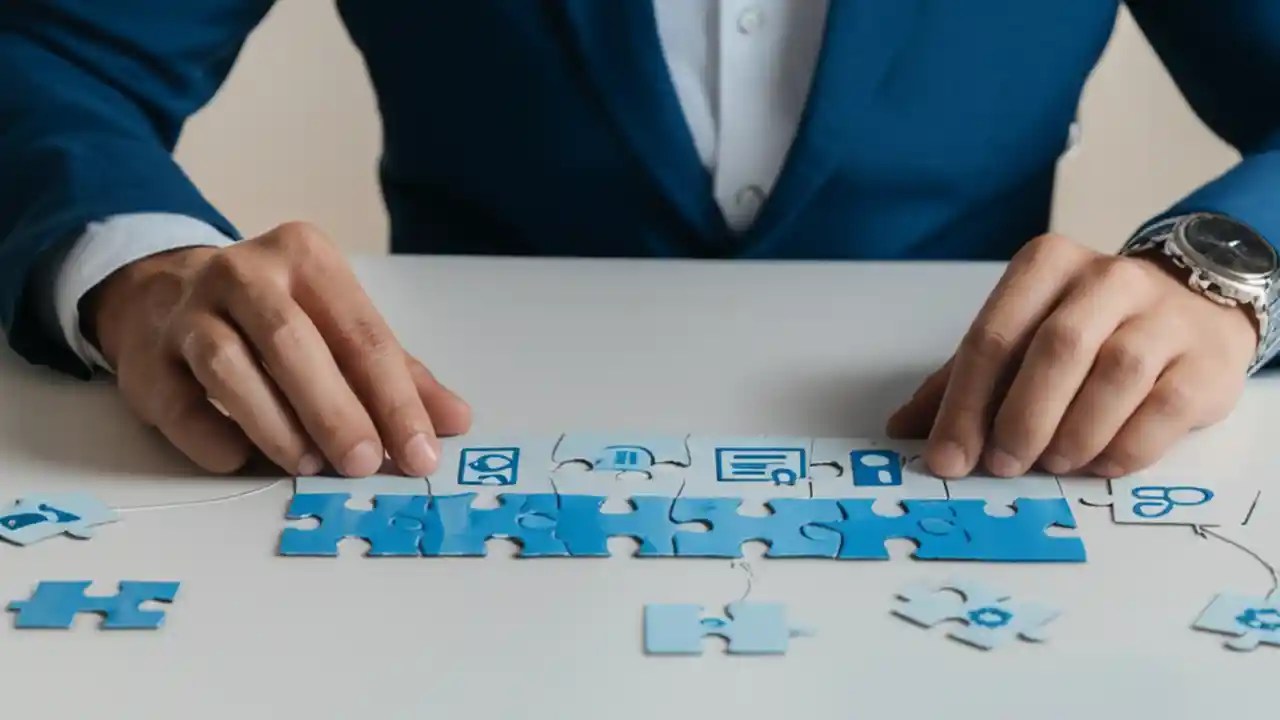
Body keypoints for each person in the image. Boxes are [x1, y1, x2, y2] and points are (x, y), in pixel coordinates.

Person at [1, 2, 1277, 483]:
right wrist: (134, 265)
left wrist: (1224, 272)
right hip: (418, 474)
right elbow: (50, 51)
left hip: (987, 457)